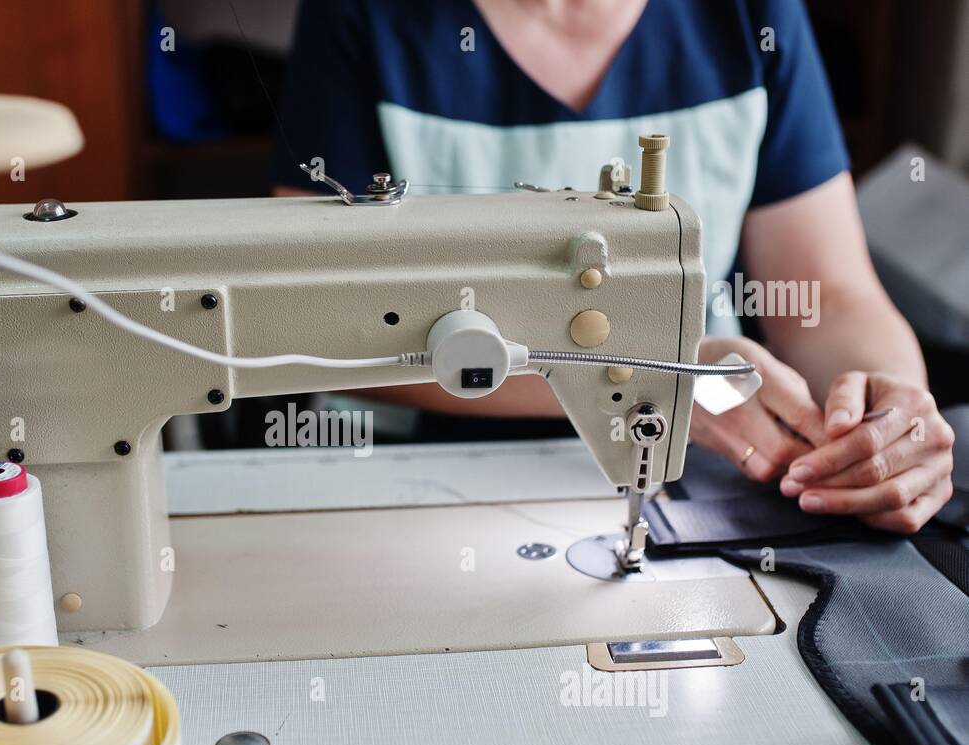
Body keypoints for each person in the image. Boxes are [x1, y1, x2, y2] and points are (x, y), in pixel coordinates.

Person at [270, 0, 955, 533]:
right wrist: (661, 379)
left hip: (700, 448)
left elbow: (826, 296)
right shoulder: (360, 16)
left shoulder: (753, 13)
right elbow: (306, 322)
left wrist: (883, 414)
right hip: (416, 461)